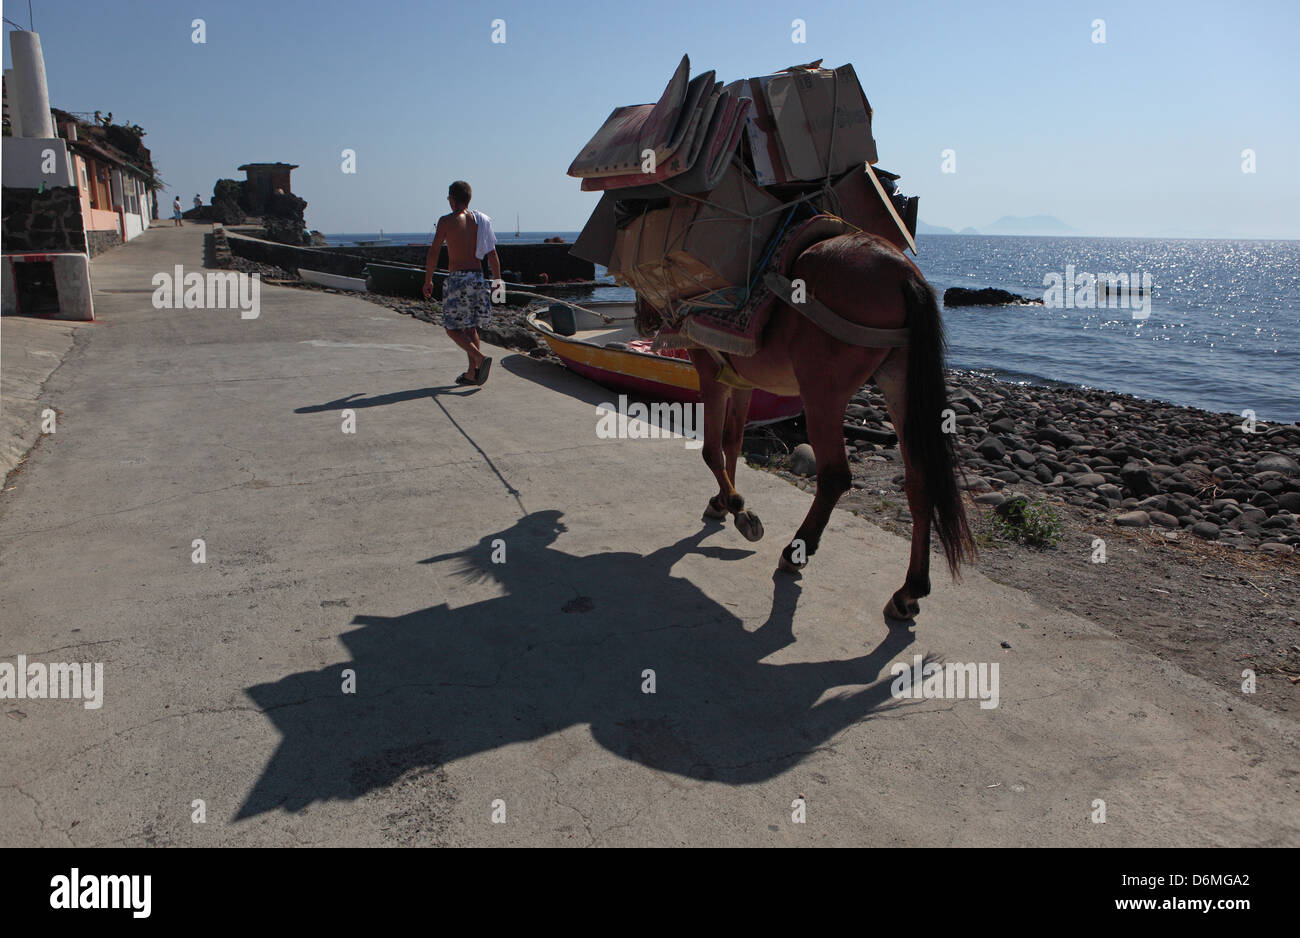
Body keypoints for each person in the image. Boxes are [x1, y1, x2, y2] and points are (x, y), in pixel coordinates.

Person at [423, 180, 502, 386]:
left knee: (452, 328)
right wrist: (497, 280)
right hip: (478, 277)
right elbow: (492, 253)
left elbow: (433, 252)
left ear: (451, 199)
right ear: (469, 198)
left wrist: (428, 279)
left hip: (458, 279)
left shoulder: (447, 221)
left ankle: (479, 359)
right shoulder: (481, 221)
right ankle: (472, 373)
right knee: (470, 329)